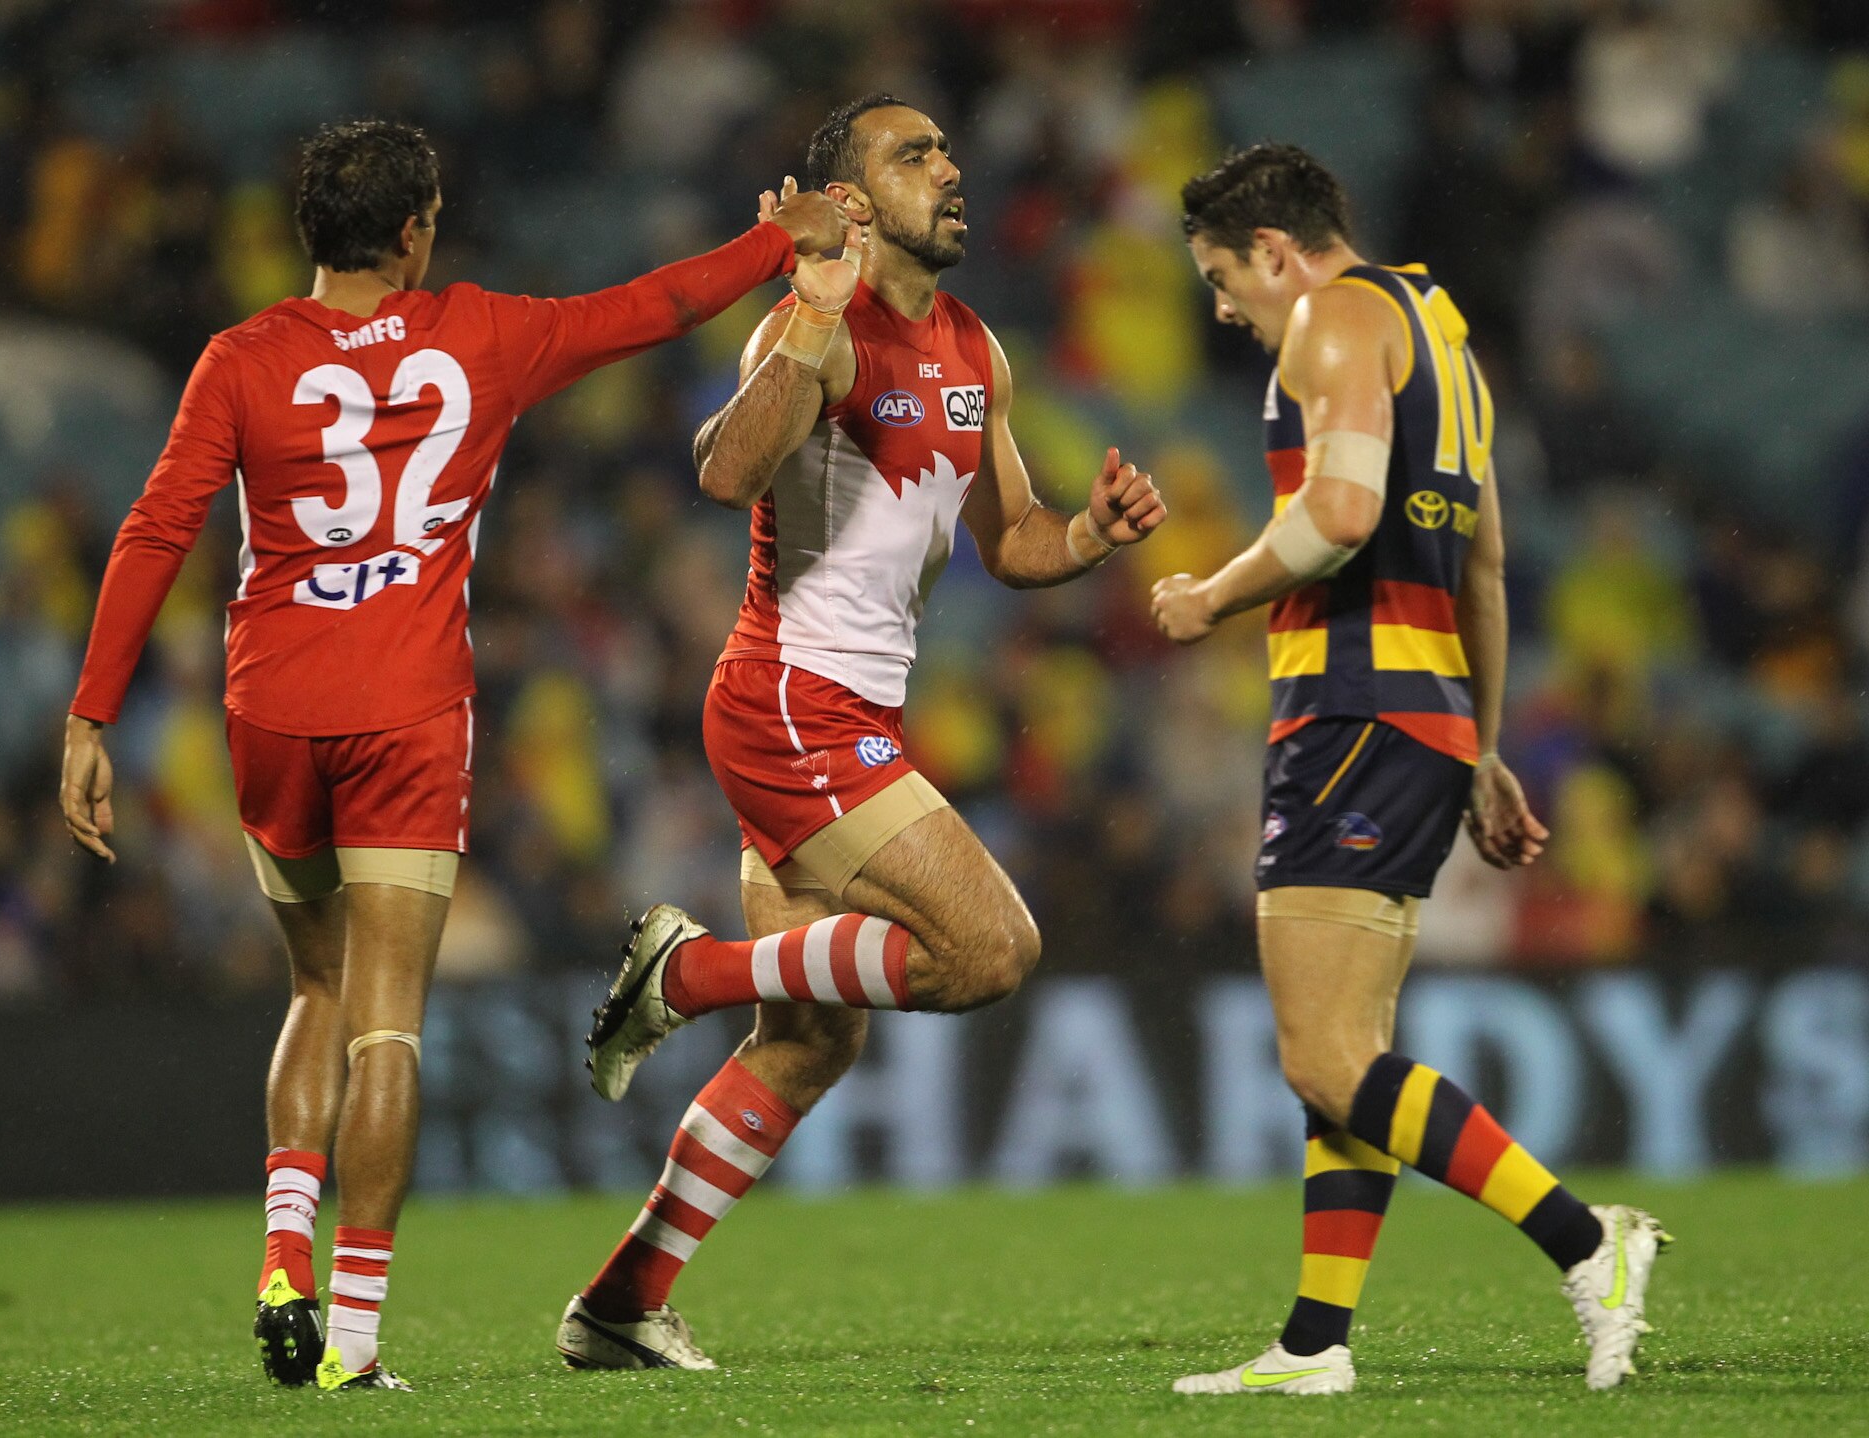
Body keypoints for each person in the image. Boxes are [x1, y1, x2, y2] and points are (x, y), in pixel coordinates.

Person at [57, 118, 846, 1393]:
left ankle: (279, 1256)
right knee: (388, 1033)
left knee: (314, 989)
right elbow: (652, 308)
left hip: (271, 709)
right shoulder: (478, 333)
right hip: (407, 712)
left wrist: (92, 716)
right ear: (415, 228)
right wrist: (778, 240)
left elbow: (156, 528)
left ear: (305, 233)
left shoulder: (240, 359)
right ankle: (355, 1345)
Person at [557, 94, 1167, 1371]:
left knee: (810, 1042)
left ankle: (620, 1302)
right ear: (846, 198)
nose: (949, 169)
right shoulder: (810, 329)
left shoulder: (975, 350)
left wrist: (1095, 538)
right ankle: (681, 976)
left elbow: (1015, 543)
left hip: (837, 711)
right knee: (989, 947)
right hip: (790, 700)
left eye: (947, 147)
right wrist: (818, 302)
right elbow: (723, 475)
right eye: (912, 155)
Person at [1148, 144, 1670, 1396]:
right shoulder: (1438, 331)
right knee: (1351, 1053)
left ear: (1274, 252)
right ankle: (1314, 1345)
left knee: (1323, 1059)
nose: (1223, 306)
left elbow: (1334, 514)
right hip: (1424, 716)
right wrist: (1481, 744)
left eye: (1223, 277)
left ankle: (1584, 1239)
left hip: (1349, 710)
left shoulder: (1328, 319)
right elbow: (1483, 565)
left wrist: (1209, 594)